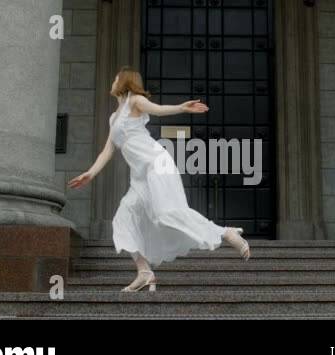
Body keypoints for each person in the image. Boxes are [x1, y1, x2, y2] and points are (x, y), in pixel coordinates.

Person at [68, 66, 250, 292]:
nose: (112, 81)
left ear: (124, 82)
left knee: (168, 213)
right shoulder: (114, 117)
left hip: (157, 164)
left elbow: (158, 109)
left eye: (116, 78)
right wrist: (90, 173)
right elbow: (107, 150)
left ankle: (225, 232)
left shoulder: (135, 101)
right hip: (140, 176)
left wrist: (182, 107)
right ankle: (144, 272)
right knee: (123, 218)